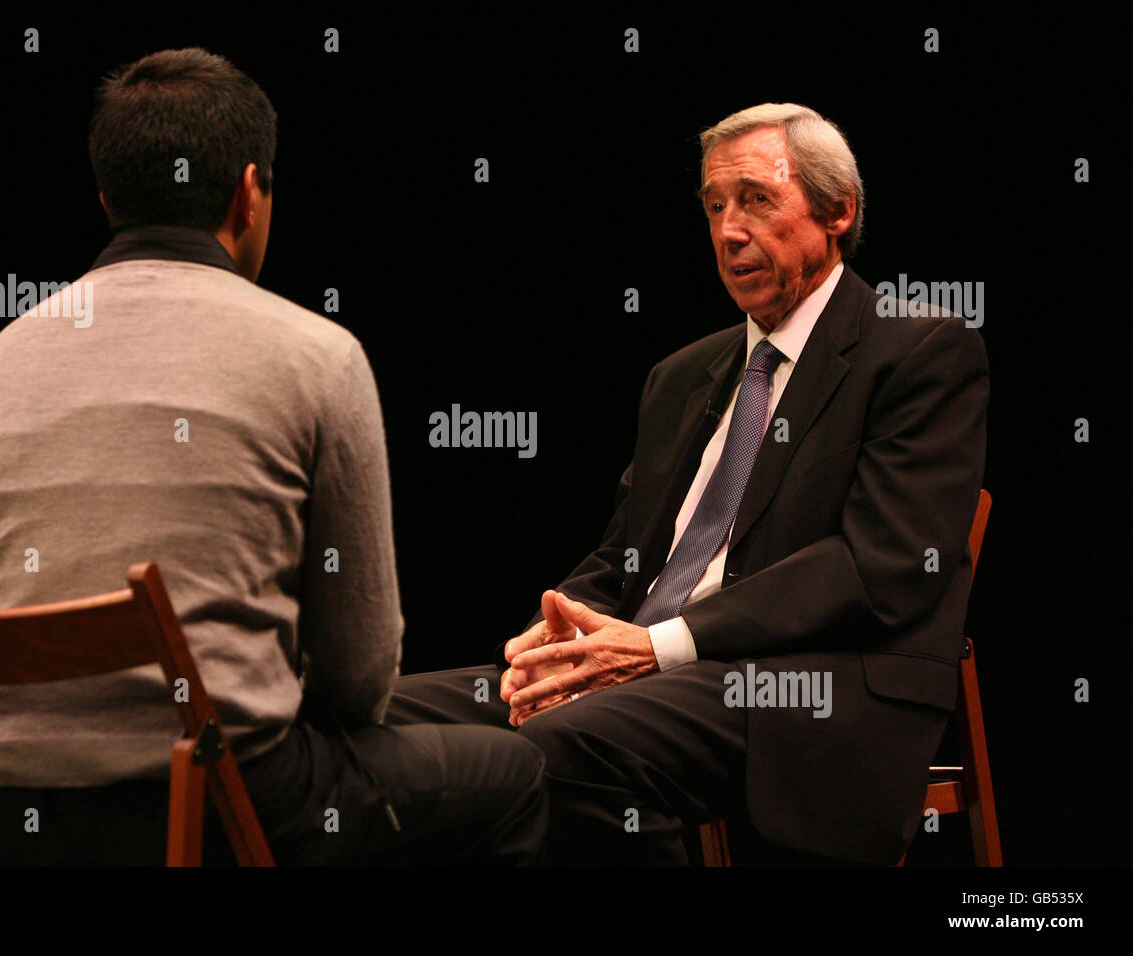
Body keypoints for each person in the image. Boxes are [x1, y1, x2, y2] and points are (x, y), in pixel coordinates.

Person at [0, 47, 546, 866]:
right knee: (514, 775)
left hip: (6, 821)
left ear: (105, 198)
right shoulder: (315, 355)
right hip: (220, 805)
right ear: (250, 194)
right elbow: (361, 673)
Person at [386, 103, 989, 865]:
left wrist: (659, 646)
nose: (729, 231)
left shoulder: (921, 350)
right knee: (383, 723)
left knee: (565, 746)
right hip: (652, 673)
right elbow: (627, 558)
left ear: (837, 211)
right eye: (714, 206)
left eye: (757, 200)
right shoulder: (680, 377)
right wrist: (566, 630)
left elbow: (878, 568)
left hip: (811, 687)